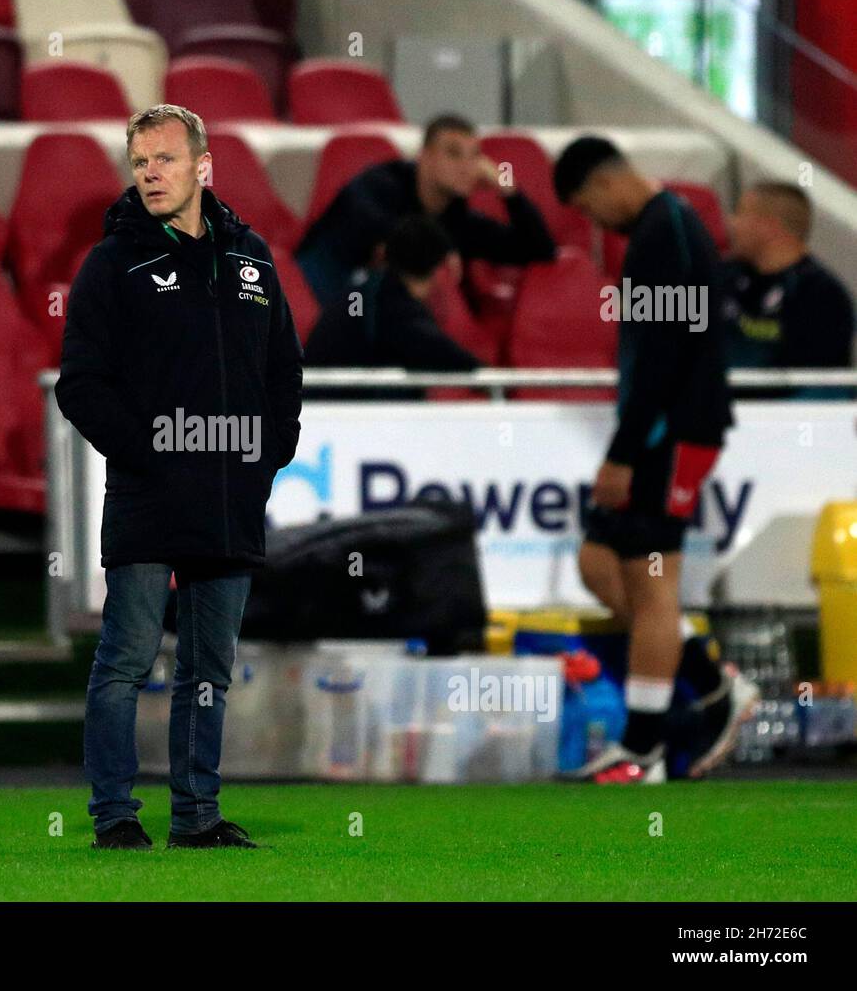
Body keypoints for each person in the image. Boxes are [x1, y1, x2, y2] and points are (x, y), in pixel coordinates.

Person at [56, 105, 304, 849]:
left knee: (209, 669)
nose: (151, 174)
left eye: (164, 159)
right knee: (127, 660)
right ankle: (115, 818)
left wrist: (268, 454)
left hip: (231, 495)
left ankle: (197, 817)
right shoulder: (113, 263)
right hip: (149, 492)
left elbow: (283, 369)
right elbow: (81, 383)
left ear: (204, 166)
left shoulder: (253, 259)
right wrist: (149, 454)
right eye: (140, 163)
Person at [552, 136, 756, 784]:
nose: (593, 222)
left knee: (649, 581)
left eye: (587, 206)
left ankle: (644, 748)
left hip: (672, 433)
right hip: (664, 429)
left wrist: (624, 453)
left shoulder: (665, 235)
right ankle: (712, 682)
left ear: (606, 183)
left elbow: (665, 358)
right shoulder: (664, 231)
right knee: (599, 565)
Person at [295, 112, 556, 309]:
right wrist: (440, 249)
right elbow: (376, 228)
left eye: (475, 156)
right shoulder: (380, 183)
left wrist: (508, 190)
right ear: (425, 156)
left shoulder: (459, 220)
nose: (468, 166)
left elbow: (539, 250)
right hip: (315, 288)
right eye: (454, 154)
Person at [303, 213, 482, 397]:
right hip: (335, 413)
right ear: (438, 268)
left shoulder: (365, 290)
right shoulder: (392, 305)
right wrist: (486, 376)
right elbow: (446, 356)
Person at [721, 181, 855, 398]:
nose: (731, 223)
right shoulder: (724, 276)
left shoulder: (822, 296)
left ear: (768, 227)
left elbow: (811, 384)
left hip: (789, 417)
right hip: (716, 413)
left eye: (740, 213)